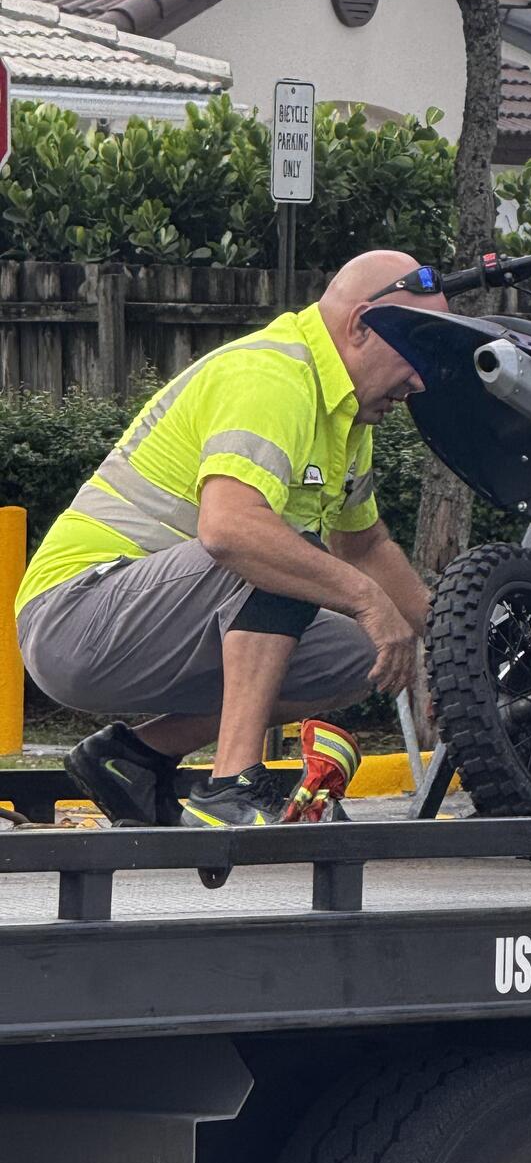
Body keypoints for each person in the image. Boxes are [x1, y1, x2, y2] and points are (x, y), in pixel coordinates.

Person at [14, 250, 445, 828]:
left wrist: (451, 649)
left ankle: (136, 758)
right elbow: (230, 531)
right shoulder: (273, 376)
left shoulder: (345, 412)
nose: (421, 379)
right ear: (361, 325)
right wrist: (368, 599)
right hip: (75, 617)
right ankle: (231, 786)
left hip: (150, 621)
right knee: (281, 548)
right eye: (417, 351)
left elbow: (364, 548)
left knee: (359, 656)